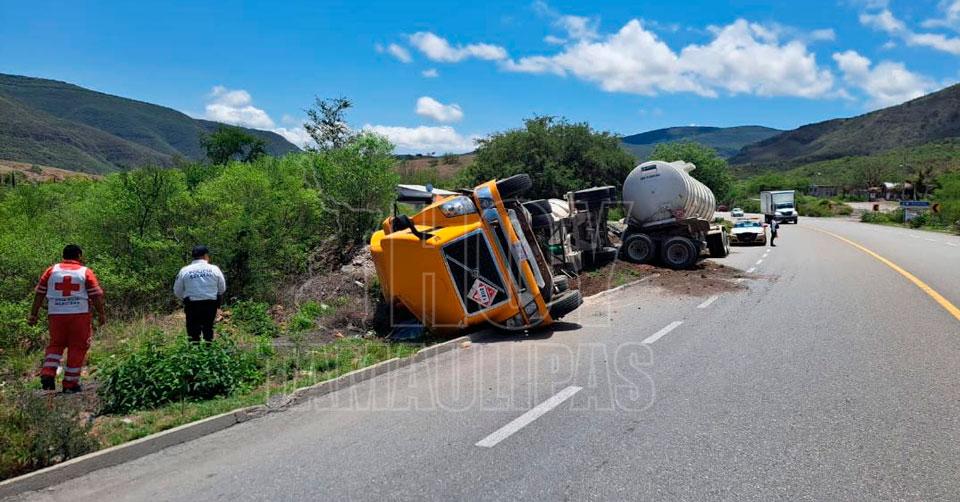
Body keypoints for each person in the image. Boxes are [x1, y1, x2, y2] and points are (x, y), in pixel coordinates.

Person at [28, 244, 106, 393]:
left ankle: (48, 372)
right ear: (79, 256)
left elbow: (39, 294)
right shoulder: (85, 272)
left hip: (55, 314)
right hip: (79, 314)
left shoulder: (51, 271)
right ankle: (70, 383)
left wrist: (33, 314)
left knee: (56, 344)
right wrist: (101, 314)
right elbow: (96, 295)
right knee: (78, 346)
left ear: (63, 256)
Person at [173, 245, 226, 342]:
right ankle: (208, 349)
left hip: (192, 304)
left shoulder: (184, 270)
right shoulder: (214, 269)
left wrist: (185, 299)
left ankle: (194, 350)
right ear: (205, 256)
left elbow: (177, 290)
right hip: (210, 304)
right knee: (208, 330)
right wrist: (214, 295)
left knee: (193, 333)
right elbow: (222, 288)